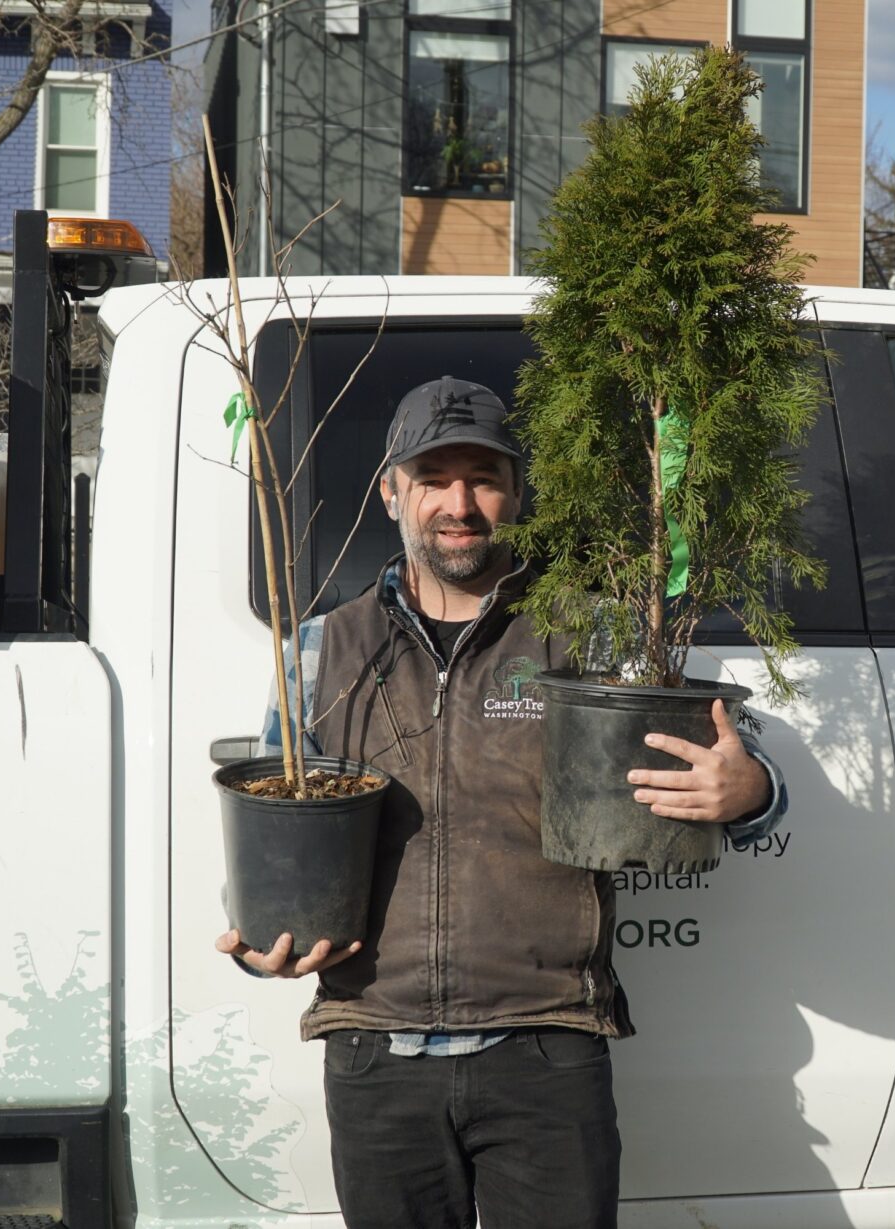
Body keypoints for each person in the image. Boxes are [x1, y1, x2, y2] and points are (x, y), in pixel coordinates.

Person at [215, 376, 786, 1229]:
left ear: (518, 493)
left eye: (484, 477)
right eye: (432, 477)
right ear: (390, 493)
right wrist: (261, 937)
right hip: (374, 1046)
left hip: (546, 1044)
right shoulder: (320, 649)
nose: (460, 503)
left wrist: (750, 792)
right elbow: (276, 831)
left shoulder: (587, 633)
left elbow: (742, 773)